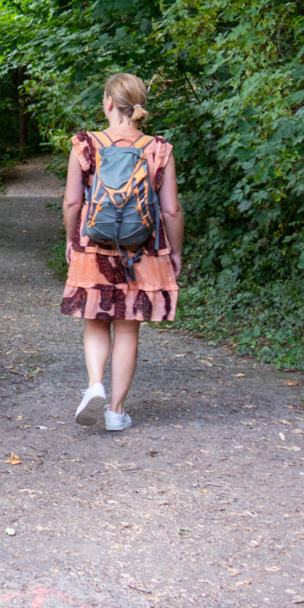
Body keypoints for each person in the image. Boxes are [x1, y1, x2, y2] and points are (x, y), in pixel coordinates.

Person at [61, 72, 184, 431]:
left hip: (93, 246)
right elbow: (172, 210)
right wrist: (175, 251)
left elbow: (72, 202)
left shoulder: (85, 144)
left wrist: (72, 239)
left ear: (109, 103)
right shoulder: (158, 149)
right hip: (143, 250)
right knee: (128, 328)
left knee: (95, 318)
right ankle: (116, 411)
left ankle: (95, 385)